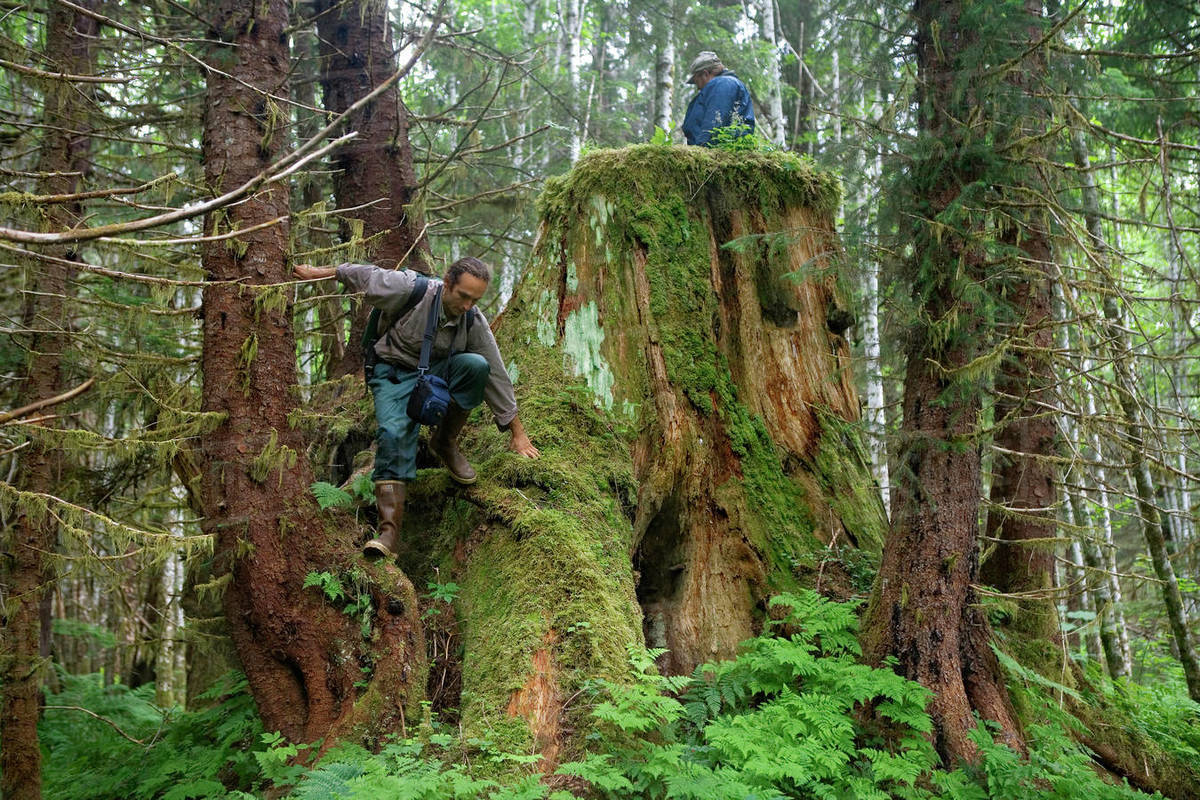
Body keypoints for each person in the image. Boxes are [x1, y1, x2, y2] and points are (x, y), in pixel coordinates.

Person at [293, 257, 539, 560]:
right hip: (394, 370)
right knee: (394, 434)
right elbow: (366, 275)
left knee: (477, 366)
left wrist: (517, 433)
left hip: (435, 372)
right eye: (463, 296)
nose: (467, 305)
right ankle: (389, 533)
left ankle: (445, 442)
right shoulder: (412, 289)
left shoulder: (472, 319)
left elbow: (497, 374)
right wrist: (317, 271)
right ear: (447, 283)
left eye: (475, 300)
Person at [681, 51, 756, 147]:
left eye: (697, 81)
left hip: (716, 154)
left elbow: (714, 122)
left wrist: (702, 151)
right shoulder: (722, 85)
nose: (698, 87)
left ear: (705, 74)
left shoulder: (723, 84)